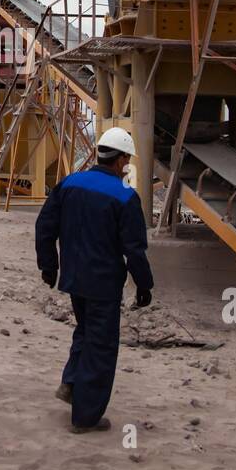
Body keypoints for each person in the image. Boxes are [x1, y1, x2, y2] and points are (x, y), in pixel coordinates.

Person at [35, 127, 154, 434]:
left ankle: (72, 384)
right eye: (127, 159)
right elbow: (135, 250)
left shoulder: (70, 183)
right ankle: (85, 417)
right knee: (101, 346)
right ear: (122, 159)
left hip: (74, 278)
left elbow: (45, 225)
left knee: (85, 333)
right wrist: (144, 285)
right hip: (103, 284)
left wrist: (49, 265)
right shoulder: (125, 197)